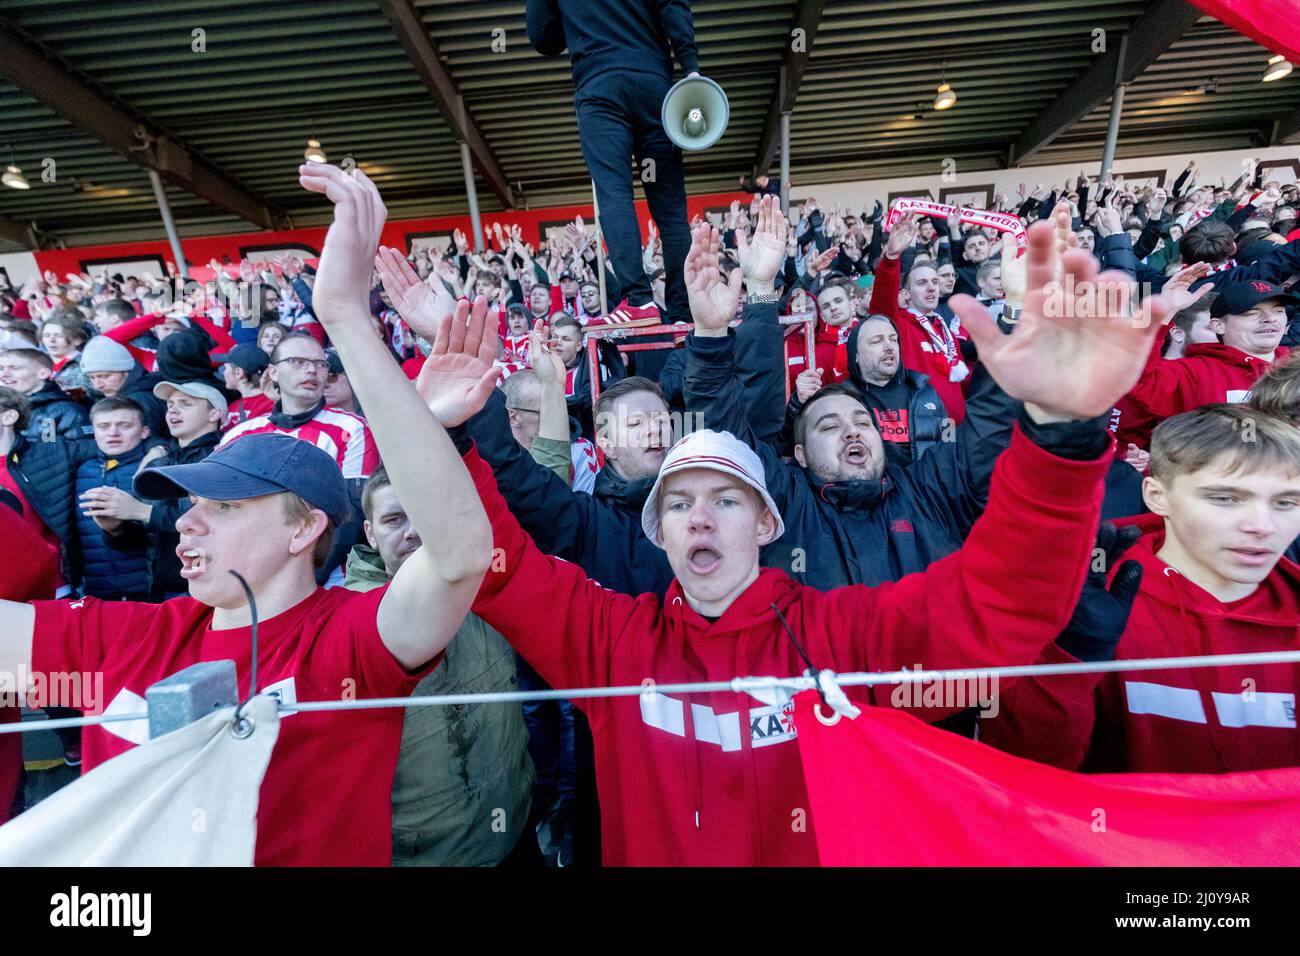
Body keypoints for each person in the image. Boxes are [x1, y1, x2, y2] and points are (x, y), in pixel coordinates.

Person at [418, 211, 1174, 864]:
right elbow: (490, 567)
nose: (702, 516)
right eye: (678, 505)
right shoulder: (608, 640)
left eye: (726, 499)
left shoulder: (843, 635)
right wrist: (451, 433)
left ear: (770, 523)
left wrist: (1061, 434)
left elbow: (995, 606)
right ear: (660, 536)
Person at [0, 163, 495, 866]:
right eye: (191, 505)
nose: (189, 525)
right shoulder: (122, 637)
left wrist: (346, 317)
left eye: (224, 505)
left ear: (305, 528)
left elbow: (459, 556)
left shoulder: (351, 645)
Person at [983, 405, 1300, 773]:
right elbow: (1019, 773)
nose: (1262, 525)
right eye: (1225, 498)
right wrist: (1065, 664)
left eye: (1286, 502)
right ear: (1156, 495)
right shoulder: (1083, 603)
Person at [343, 467, 535, 867]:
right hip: (423, 858)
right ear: (369, 533)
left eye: (422, 512)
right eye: (394, 519)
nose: (413, 530)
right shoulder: (343, 626)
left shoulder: (487, 584)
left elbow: (537, 486)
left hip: (514, 831)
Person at [526, 0, 695, 329]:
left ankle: (640, 301)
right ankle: (682, 310)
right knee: (671, 210)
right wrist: (690, 66)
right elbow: (674, 6)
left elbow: (543, 39)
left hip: (600, 88)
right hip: (654, 86)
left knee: (615, 193)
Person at [100, 381, 227, 601]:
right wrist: (115, 528)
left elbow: (218, 524)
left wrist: (142, 512)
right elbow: (141, 542)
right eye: (169, 405)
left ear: (214, 413)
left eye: (186, 404)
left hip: (213, 589)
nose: (173, 410)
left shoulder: (224, 459)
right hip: (161, 590)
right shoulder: (158, 463)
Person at [1124, 277, 1295, 425]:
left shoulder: (1295, 365)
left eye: (1278, 311)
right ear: (1218, 326)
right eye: (1252, 313)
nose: (1270, 319)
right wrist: (1162, 314)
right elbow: (1135, 379)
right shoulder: (1191, 372)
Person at [74, 397, 155, 601]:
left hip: (149, 590)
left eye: (124, 425)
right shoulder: (82, 469)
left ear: (145, 431)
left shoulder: (156, 467)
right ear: (93, 431)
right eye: (104, 426)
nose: (113, 433)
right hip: (96, 590)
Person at [79, 336, 167, 436]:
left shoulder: (138, 401)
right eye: (92, 378)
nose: (98, 385)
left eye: (104, 376)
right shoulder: (135, 394)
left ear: (126, 372)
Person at [0, 347, 91, 442]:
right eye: (1, 368)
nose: (4, 374)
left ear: (43, 373)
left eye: (15, 368)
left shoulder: (68, 411)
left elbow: (84, 453)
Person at [216, 343, 274, 429]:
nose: (223, 373)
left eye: (225, 368)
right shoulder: (233, 407)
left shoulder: (272, 405)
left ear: (238, 373)